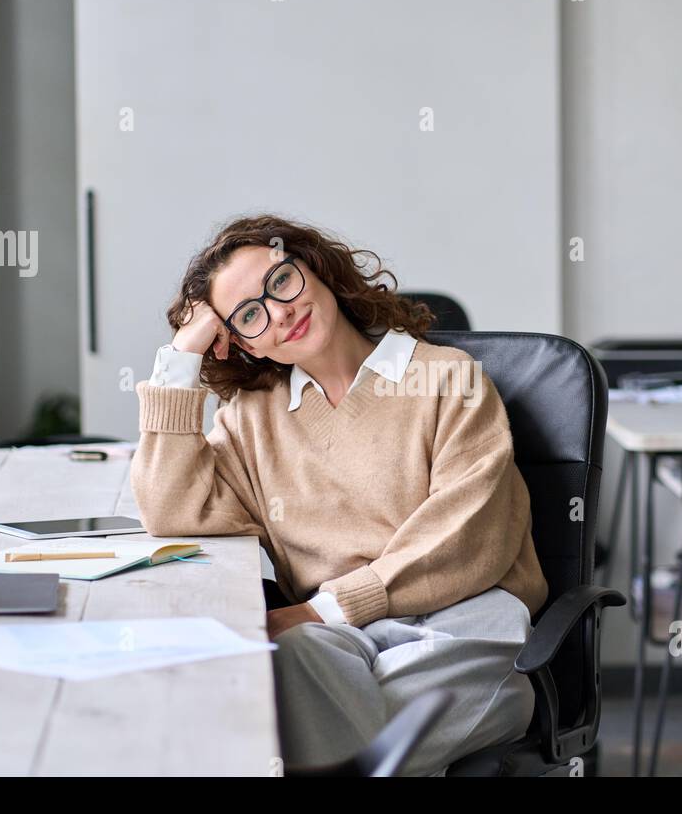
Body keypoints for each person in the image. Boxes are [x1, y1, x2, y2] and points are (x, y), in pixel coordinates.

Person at [130, 214, 547, 776]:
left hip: (460, 629)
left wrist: (324, 608)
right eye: (250, 315)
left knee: (288, 728)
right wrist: (181, 358)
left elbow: (467, 537)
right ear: (242, 342)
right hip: (336, 640)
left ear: (316, 268)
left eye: (281, 281)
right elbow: (174, 508)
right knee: (299, 668)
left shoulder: (448, 379)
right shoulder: (252, 417)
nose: (280, 312)